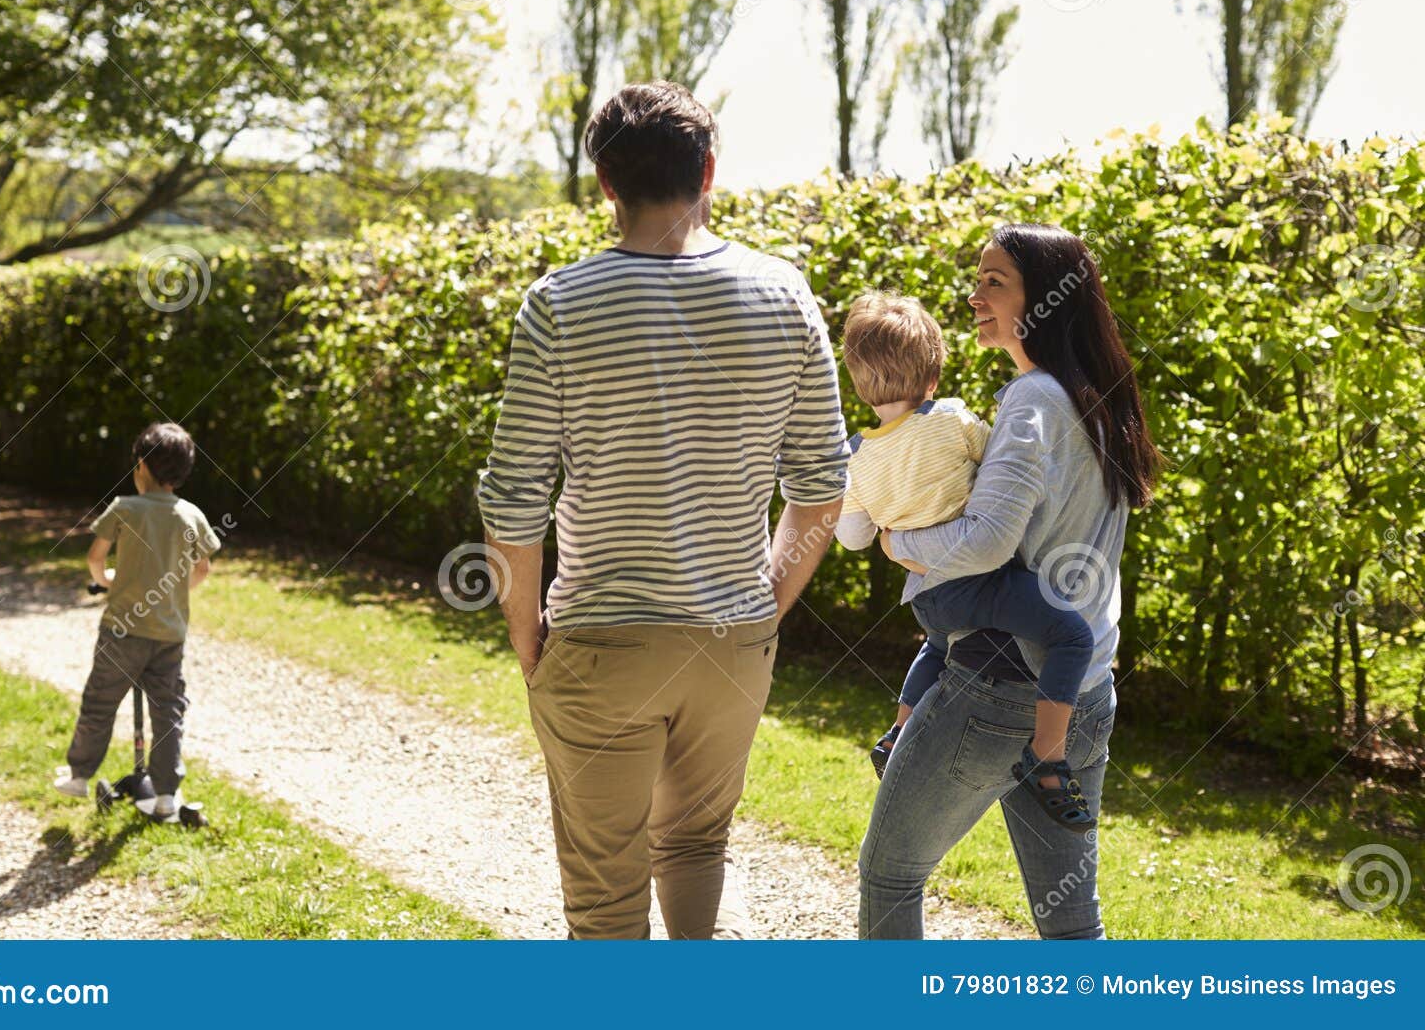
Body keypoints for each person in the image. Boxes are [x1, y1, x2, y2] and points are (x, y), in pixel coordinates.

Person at [476, 81, 850, 939]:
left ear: (605, 182)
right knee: (694, 845)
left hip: (602, 641)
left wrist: (524, 626)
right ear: (709, 170)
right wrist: (763, 602)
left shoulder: (560, 305)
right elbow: (822, 487)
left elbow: (515, 498)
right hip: (731, 647)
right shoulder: (785, 295)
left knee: (605, 899)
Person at [858, 223, 1162, 939]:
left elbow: (988, 539)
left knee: (891, 872)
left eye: (994, 281)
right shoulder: (1096, 397)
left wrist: (900, 540)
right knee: (1070, 921)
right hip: (1084, 689)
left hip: (997, 688)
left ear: (1047, 301)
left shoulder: (1031, 399)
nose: (973, 296)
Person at [834, 292, 1096, 831]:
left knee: (937, 645)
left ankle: (899, 731)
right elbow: (998, 456)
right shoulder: (950, 418)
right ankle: (1047, 756)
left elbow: (855, 537)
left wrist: (893, 521)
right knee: (1073, 637)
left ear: (859, 385)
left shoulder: (855, 456)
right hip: (980, 580)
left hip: (929, 597)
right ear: (932, 378)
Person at [53, 422, 220, 822]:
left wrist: (106, 580)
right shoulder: (191, 514)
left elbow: (96, 558)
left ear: (141, 466)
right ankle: (166, 795)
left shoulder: (124, 508)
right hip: (168, 634)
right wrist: (173, 592)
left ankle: (79, 775)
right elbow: (202, 569)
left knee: (100, 702)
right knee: (168, 713)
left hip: (122, 630)